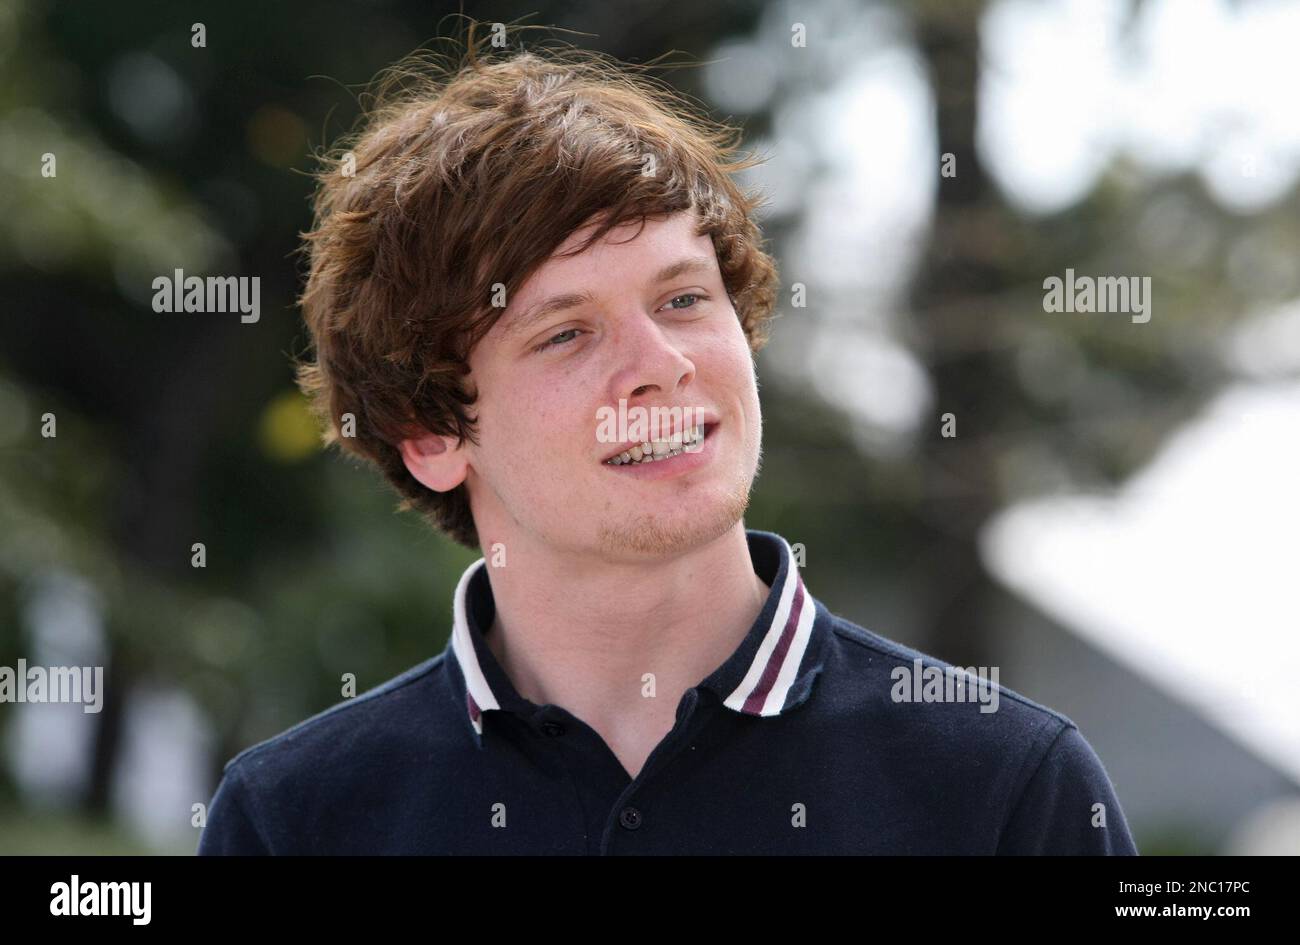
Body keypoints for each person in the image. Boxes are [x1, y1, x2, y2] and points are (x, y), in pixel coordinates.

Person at [198, 34, 1137, 855]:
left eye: (684, 299)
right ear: (433, 434)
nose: (662, 364)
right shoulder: (294, 820)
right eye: (566, 331)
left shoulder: (1008, 789)